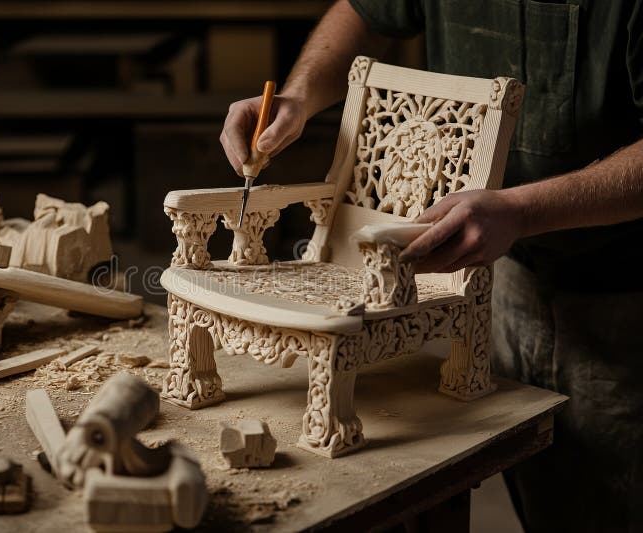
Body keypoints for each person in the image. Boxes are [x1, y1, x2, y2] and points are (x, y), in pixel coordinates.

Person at [220, 1, 643, 531]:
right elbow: (364, 10)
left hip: (624, 292)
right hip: (500, 263)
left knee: (607, 503)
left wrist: (522, 209)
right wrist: (298, 96)